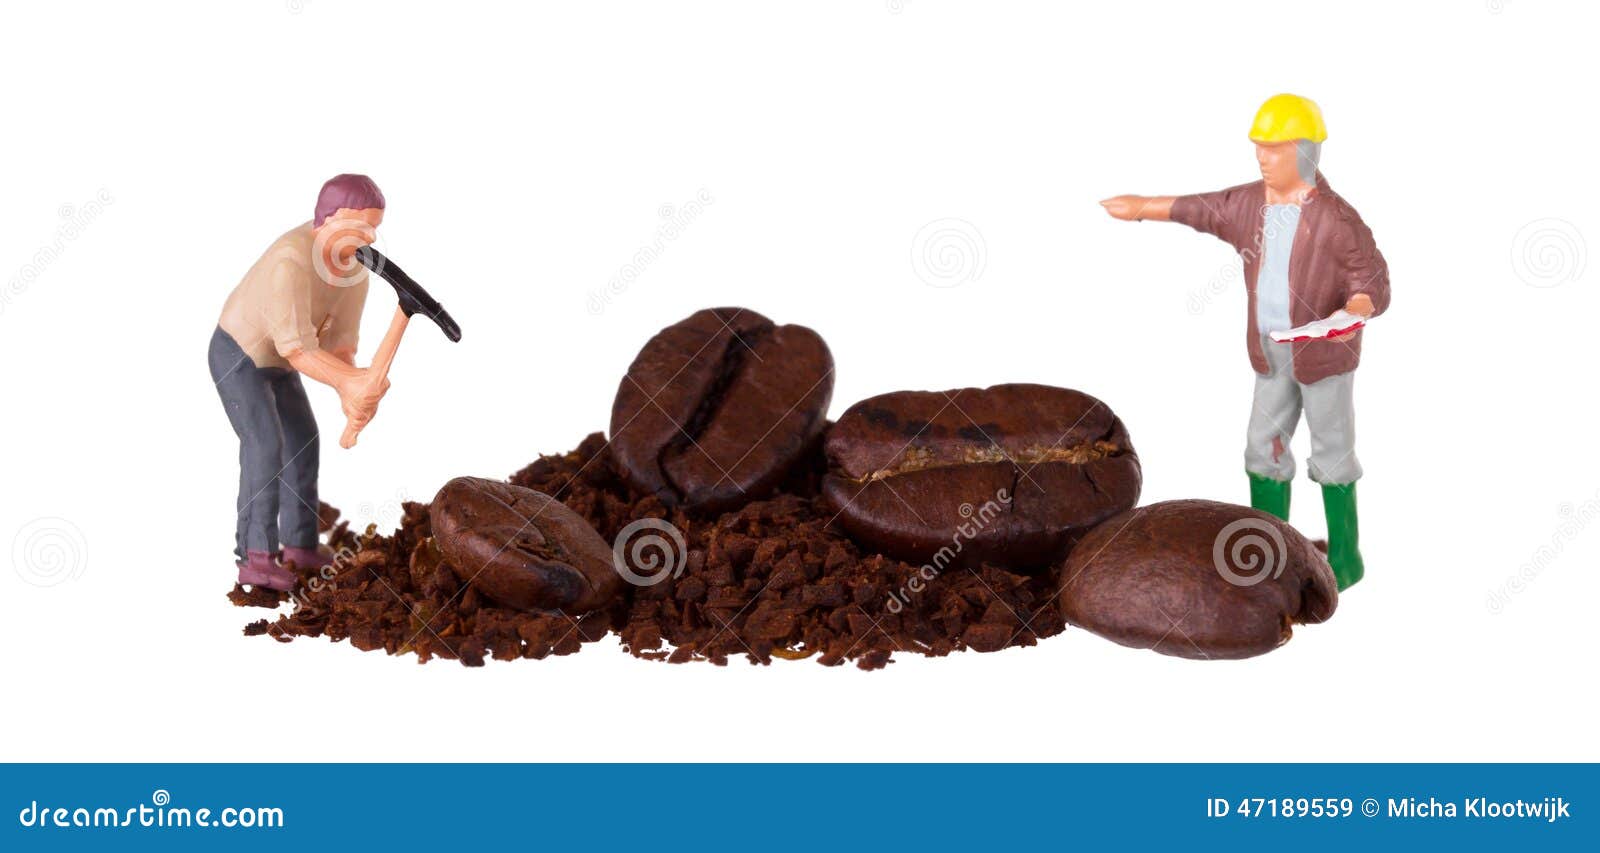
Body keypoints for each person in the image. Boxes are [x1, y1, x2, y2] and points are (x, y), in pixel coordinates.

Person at [1099, 95, 1390, 590]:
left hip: (1323, 357)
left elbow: (1373, 279)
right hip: (1270, 355)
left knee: (1333, 451)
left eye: (1275, 148)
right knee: (1263, 449)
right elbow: (1202, 208)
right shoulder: (1251, 205)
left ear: (1305, 150)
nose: (1262, 157)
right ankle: (1270, 552)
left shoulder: (1335, 219)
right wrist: (1144, 207)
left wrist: (1355, 308)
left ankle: (1345, 558)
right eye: (1259, 147)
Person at [208, 174, 392, 591]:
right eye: (359, 226)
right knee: (264, 446)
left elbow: (338, 349)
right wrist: (349, 382)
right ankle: (255, 557)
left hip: (282, 360)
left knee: (304, 439)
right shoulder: (290, 261)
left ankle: (299, 545)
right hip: (240, 353)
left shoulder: (354, 272)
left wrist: (355, 388)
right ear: (327, 218)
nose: (368, 238)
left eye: (373, 228)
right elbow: (298, 350)